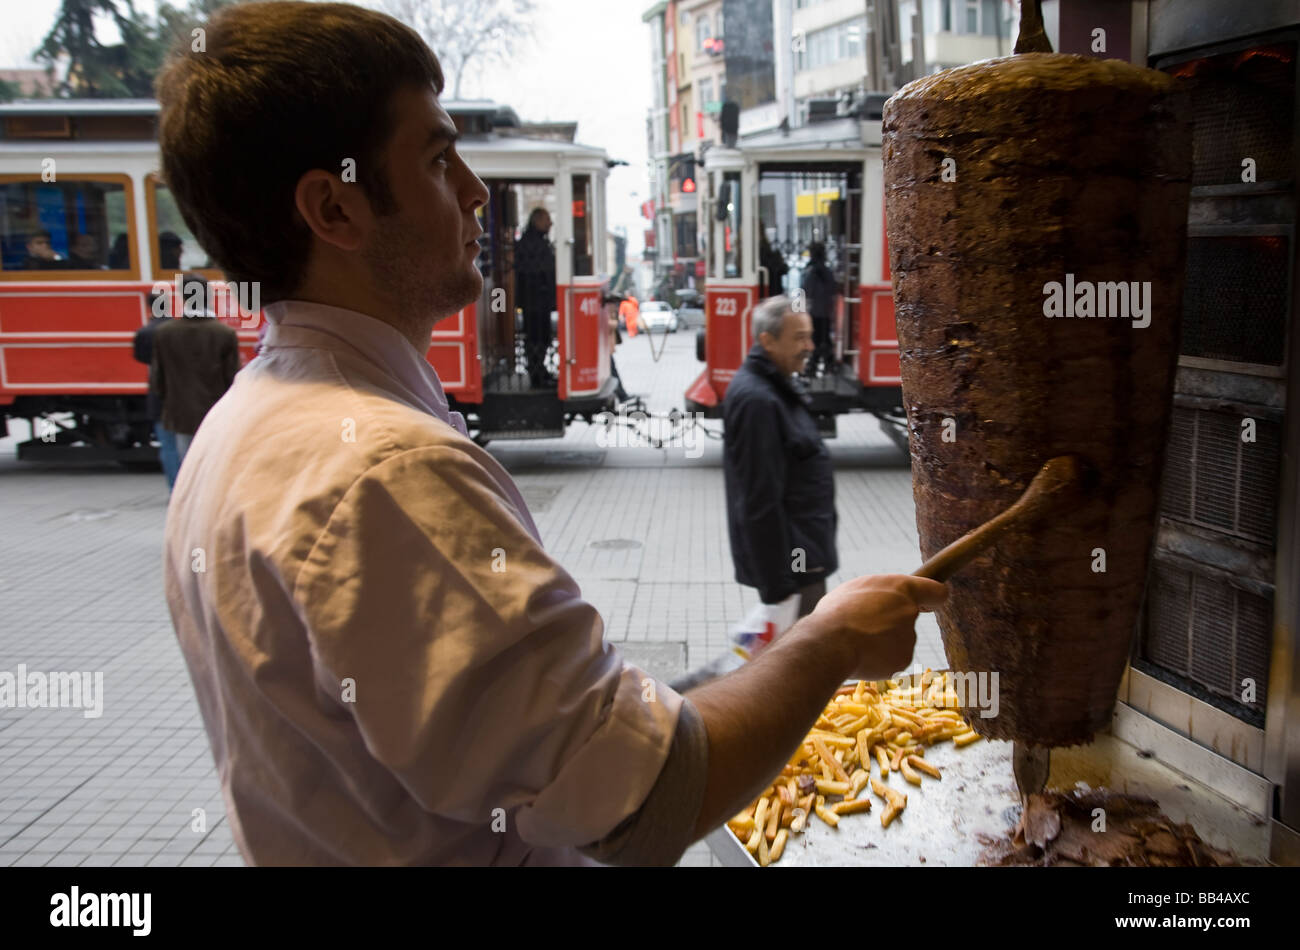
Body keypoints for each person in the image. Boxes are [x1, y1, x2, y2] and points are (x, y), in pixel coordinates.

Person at [155, 0, 945, 867]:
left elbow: (522, 736)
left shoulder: (238, 426)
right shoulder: (384, 474)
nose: (474, 190)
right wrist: (828, 640)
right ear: (334, 209)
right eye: (435, 157)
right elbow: (645, 800)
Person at [723, 295, 838, 618]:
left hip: (804, 559)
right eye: (799, 337)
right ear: (767, 341)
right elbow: (759, 499)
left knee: (809, 660)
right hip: (794, 572)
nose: (810, 346)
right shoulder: (758, 400)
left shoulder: (776, 389)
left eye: (810, 335)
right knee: (806, 663)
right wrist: (779, 587)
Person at [148, 273, 241, 467]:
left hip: (180, 412)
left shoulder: (165, 332)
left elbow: (157, 380)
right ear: (208, 296)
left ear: (183, 297)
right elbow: (232, 379)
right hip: (216, 411)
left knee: (188, 466)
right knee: (214, 465)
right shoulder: (224, 333)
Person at [132, 297, 181, 489]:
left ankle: (175, 490)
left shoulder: (145, 333)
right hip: (184, 394)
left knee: (168, 447)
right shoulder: (179, 330)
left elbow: (140, 357)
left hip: (159, 395)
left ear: (149, 307)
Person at [514, 207, 556, 387]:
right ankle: (537, 374)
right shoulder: (531, 244)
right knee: (536, 338)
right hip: (535, 302)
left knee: (542, 337)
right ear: (537, 221)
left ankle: (540, 371)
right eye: (546, 220)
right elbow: (536, 272)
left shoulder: (536, 242)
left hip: (539, 302)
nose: (550, 223)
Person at [800, 241, 838, 373]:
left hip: (815, 310)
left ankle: (814, 363)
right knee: (825, 336)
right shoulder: (826, 270)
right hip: (826, 310)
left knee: (815, 337)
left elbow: (806, 289)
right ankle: (828, 362)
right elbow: (833, 288)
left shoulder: (811, 270)